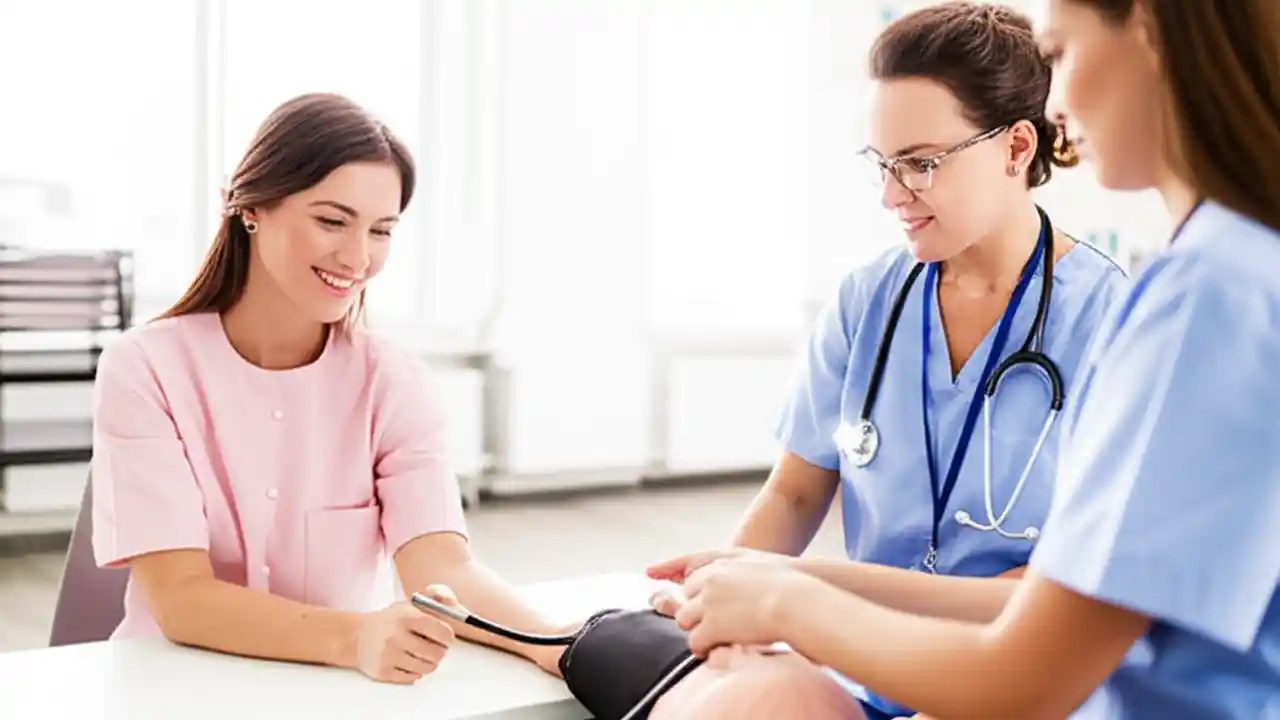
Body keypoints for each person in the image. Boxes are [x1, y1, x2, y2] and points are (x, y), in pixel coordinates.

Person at [667, 0, 1280, 717]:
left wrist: (788, 599)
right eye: (883, 165)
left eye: (1059, 53)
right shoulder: (1230, 270)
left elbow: (1028, 671)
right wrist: (748, 593)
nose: (1054, 105)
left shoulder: (1199, 296)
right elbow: (797, 492)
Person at [91, 93, 573, 684]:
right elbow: (182, 597)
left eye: (381, 231)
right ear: (250, 208)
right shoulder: (145, 367)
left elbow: (442, 568)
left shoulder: (393, 381)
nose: (358, 257)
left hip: (332, 691)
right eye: (332, 221)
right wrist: (354, 637)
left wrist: (552, 642)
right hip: (172, 685)